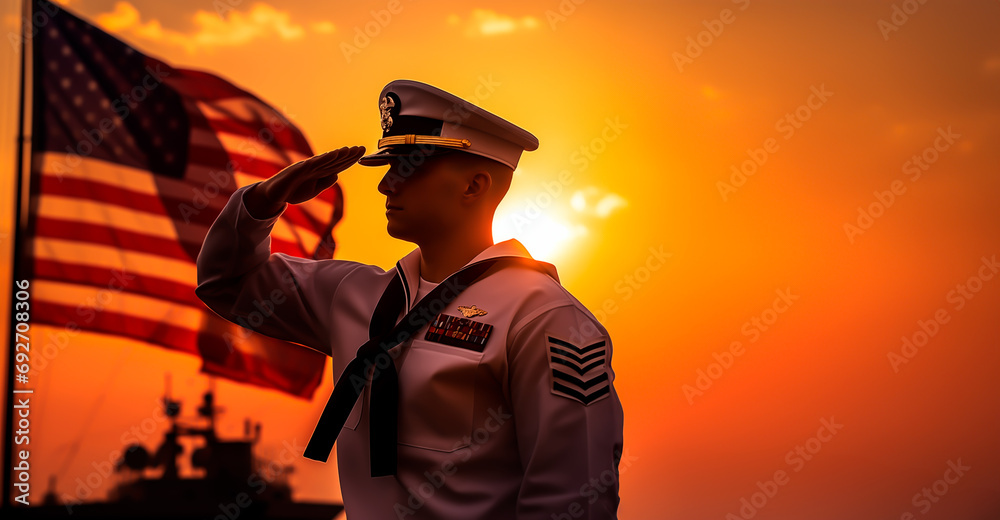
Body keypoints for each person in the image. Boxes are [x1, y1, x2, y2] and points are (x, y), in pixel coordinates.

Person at [195, 79, 624, 519]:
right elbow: (226, 282)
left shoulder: (543, 319)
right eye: (389, 165)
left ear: (474, 185)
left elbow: (575, 502)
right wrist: (262, 202)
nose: (385, 185)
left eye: (410, 166)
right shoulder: (355, 296)